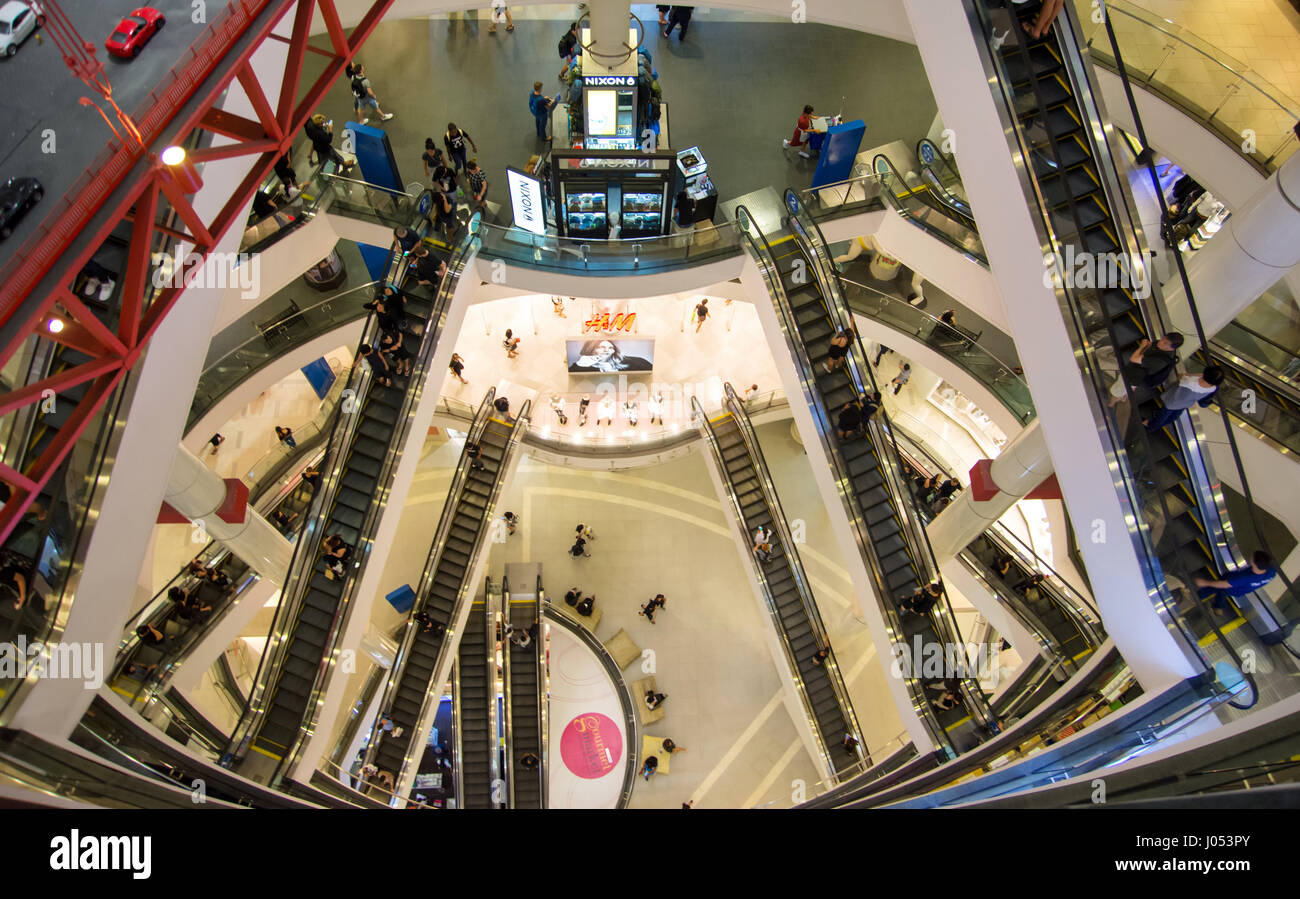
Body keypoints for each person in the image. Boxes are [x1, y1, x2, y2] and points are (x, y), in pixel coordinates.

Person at [1109, 333, 1185, 406]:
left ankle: (1110, 405)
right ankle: (1123, 398)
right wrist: (1146, 347)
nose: (1160, 342)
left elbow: (1133, 359)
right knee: (1126, 389)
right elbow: (1146, 351)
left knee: (1115, 393)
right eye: (1163, 338)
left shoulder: (1161, 361)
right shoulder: (1159, 344)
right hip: (1134, 373)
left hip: (1132, 377)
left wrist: (1142, 346)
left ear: (1172, 348)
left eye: (1165, 343)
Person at [1196, 551, 1277, 616]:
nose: (1250, 557)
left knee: (1217, 588)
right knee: (1222, 593)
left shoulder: (1244, 578)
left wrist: (1206, 583)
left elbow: (1224, 584)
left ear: (1255, 564)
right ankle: (1218, 606)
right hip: (1241, 590)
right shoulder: (1272, 572)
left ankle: (1196, 597)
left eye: (1252, 557)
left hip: (1231, 586)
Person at [1144, 366, 1224, 431]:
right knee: (1173, 417)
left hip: (1173, 402)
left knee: (1161, 417)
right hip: (1185, 404)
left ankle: (1150, 426)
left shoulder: (1190, 382)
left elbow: (1180, 376)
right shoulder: (1213, 388)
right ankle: (1157, 425)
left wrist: (1196, 375)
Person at [570, 339, 652, 373]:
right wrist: (580, 365)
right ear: (590, 349)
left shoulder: (633, 362)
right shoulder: (580, 365)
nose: (607, 350)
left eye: (610, 348)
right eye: (601, 347)